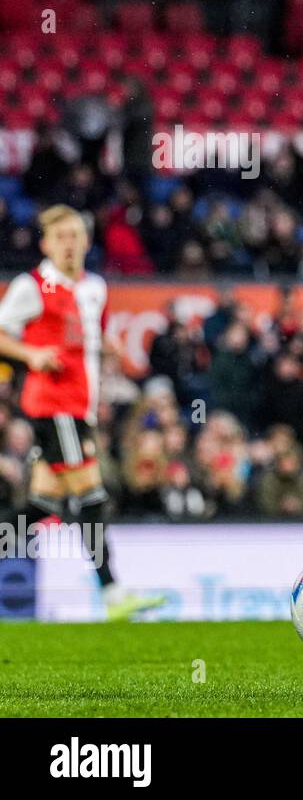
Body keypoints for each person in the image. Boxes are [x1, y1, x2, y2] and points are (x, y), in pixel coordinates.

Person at [0, 204, 164, 621]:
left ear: (88, 242)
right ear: (45, 244)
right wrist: (30, 353)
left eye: (75, 235)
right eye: (60, 237)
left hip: (80, 408)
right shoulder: (32, 286)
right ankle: (111, 592)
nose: (69, 244)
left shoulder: (94, 288)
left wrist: (105, 350)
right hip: (53, 406)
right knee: (91, 495)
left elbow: (90, 338)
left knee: (40, 506)